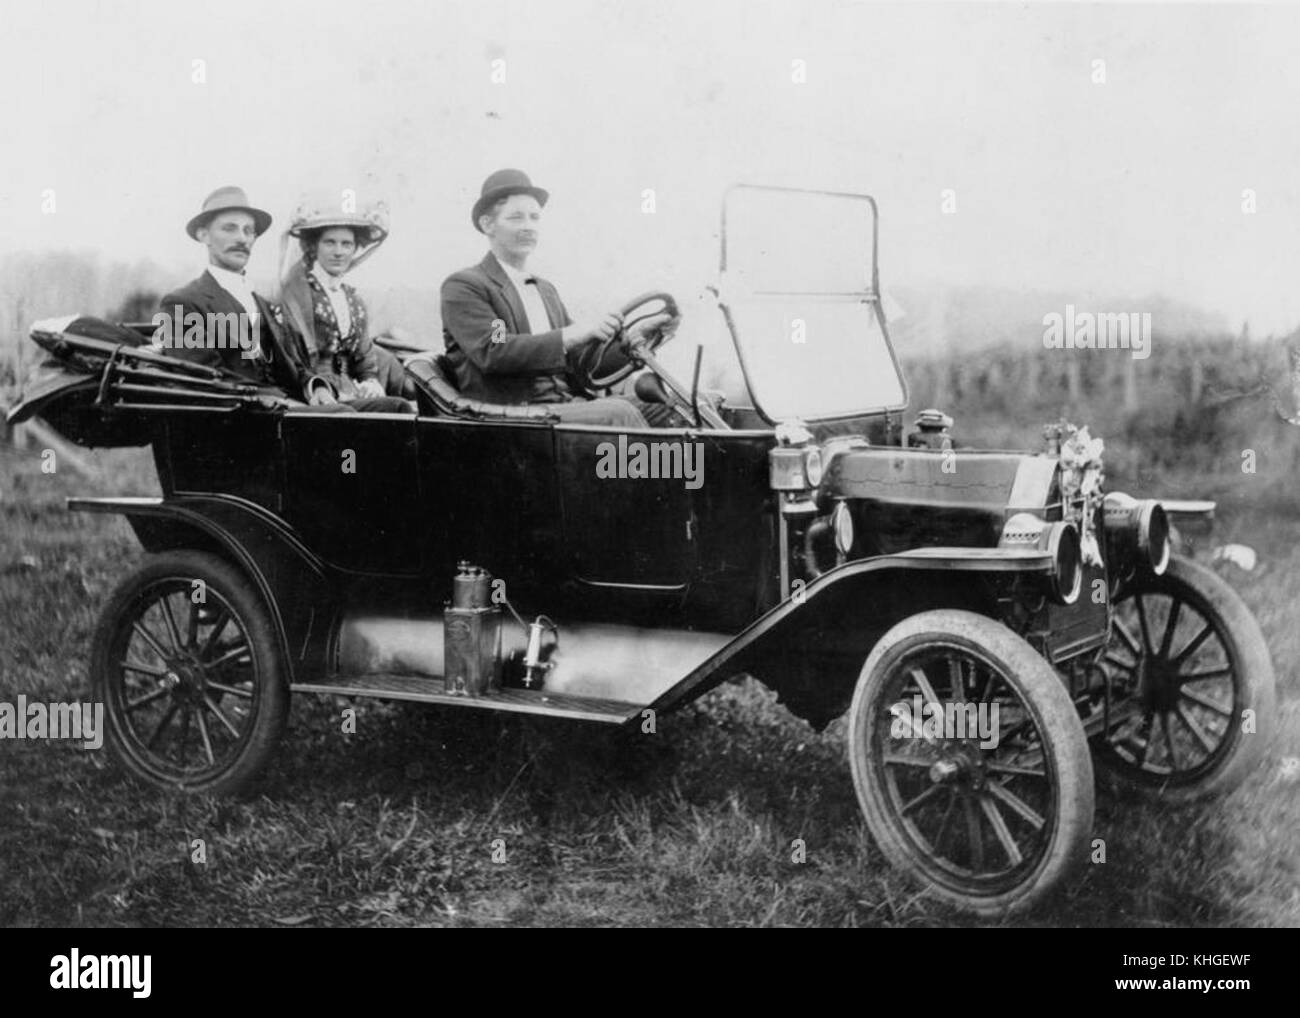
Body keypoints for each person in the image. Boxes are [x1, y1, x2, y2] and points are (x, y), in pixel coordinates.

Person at [440, 169, 680, 427]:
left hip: (564, 407)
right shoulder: (471, 286)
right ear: (488, 225)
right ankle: (658, 468)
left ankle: (684, 467)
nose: (528, 227)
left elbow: (581, 364)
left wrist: (635, 339)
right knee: (618, 414)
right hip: (514, 416)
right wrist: (572, 334)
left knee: (679, 406)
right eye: (516, 218)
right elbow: (497, 349)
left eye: (534, 218)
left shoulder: (545, 291)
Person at [276, 194, 413, 413]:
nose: (339, 252)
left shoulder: (353, 300)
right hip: (311, 394)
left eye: (346, 244)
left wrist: (370, 381)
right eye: (330, 242)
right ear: (313, 247)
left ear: (354, 249)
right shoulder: (298, 293)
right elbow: (290, 355)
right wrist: (317, 387)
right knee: (396, 409)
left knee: (401, 408)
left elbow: (364, 356)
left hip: (348, 391)